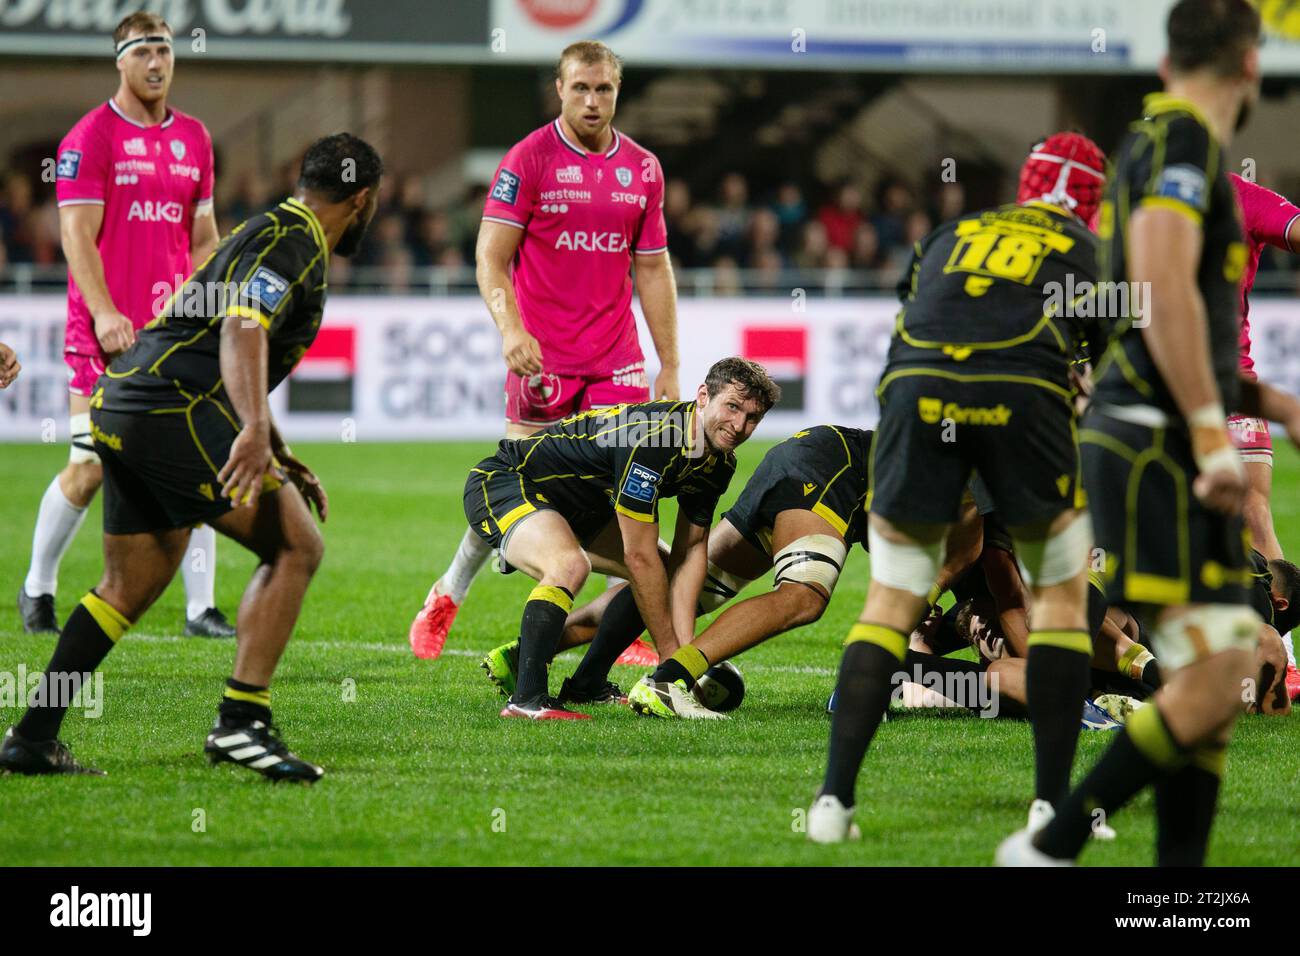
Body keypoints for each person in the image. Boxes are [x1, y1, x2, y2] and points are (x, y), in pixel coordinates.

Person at [996, 0, 1300, 867]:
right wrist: (1212, 434)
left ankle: (1176, 888)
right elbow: (1164, 293)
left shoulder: (1159, 148)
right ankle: (1051, 844)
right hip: (1155, 448)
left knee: (1218, 677)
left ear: (1168, 62)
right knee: (1209, 680)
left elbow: (1154, 316)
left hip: (1148, 435)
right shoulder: (1183, 148)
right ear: (1251, 65)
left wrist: (1267, 404)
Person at [0, 133, 384, 781]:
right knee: (296, 546)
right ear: (363, 199)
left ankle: (33, 735)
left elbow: (209, 330)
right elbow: (241, 327)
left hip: (125, 401)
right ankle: (242, 722)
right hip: (170, 410)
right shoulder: (294, 242)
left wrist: (275, 445)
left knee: (130, 585)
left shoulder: (264, 228)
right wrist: (256, 428)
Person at [808, 131, 1108, 844]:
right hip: (1021, 397)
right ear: (1092, 203)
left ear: (1026, 185)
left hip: (915, 396)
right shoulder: (1092, 252)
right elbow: (1112, 368)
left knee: (888, 600)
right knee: (1061, 605)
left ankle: (831, 804)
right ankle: (1050, 810)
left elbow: (916, 317)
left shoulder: (951, 233)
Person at [408, 40, 680, 662]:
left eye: (604, 89)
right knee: (516, 486)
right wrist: (510, 330)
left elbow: (655, 270)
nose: (592, 100)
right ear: (559, 89)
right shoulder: (528, 160)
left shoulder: (643, 169)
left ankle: (619, 617)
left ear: (617, 92)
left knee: (630, 491)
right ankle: (449, 590)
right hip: (543, 361)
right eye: (580, 88)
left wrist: (670, 362)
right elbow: (490, 260)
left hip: (617, 360)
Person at [18, 11, 231, 639]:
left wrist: (213, 305)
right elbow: (75, 233)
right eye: (144, 52)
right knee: (88, 467)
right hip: (102, 333)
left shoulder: (194, 137)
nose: (157, 63)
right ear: (120, 60)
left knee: (196, 463)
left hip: (173, 333)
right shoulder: (90, 138)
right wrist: (106, 310)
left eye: (165, 51)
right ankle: (38, 587)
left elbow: (202, 239)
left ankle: (201, 609)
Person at [464, 357, 778, 720]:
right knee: (571, 566)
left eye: (752, 417)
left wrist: (684, 656)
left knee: (663, 571)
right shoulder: (658, 437)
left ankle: (585, 683)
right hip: (509, 481)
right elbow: (638, 556)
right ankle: (527, 700)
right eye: (733, 407)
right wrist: (669, 665)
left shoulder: (719, 463)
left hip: (580, 506)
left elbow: (690, 551)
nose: (739, 425)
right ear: (704, 396)